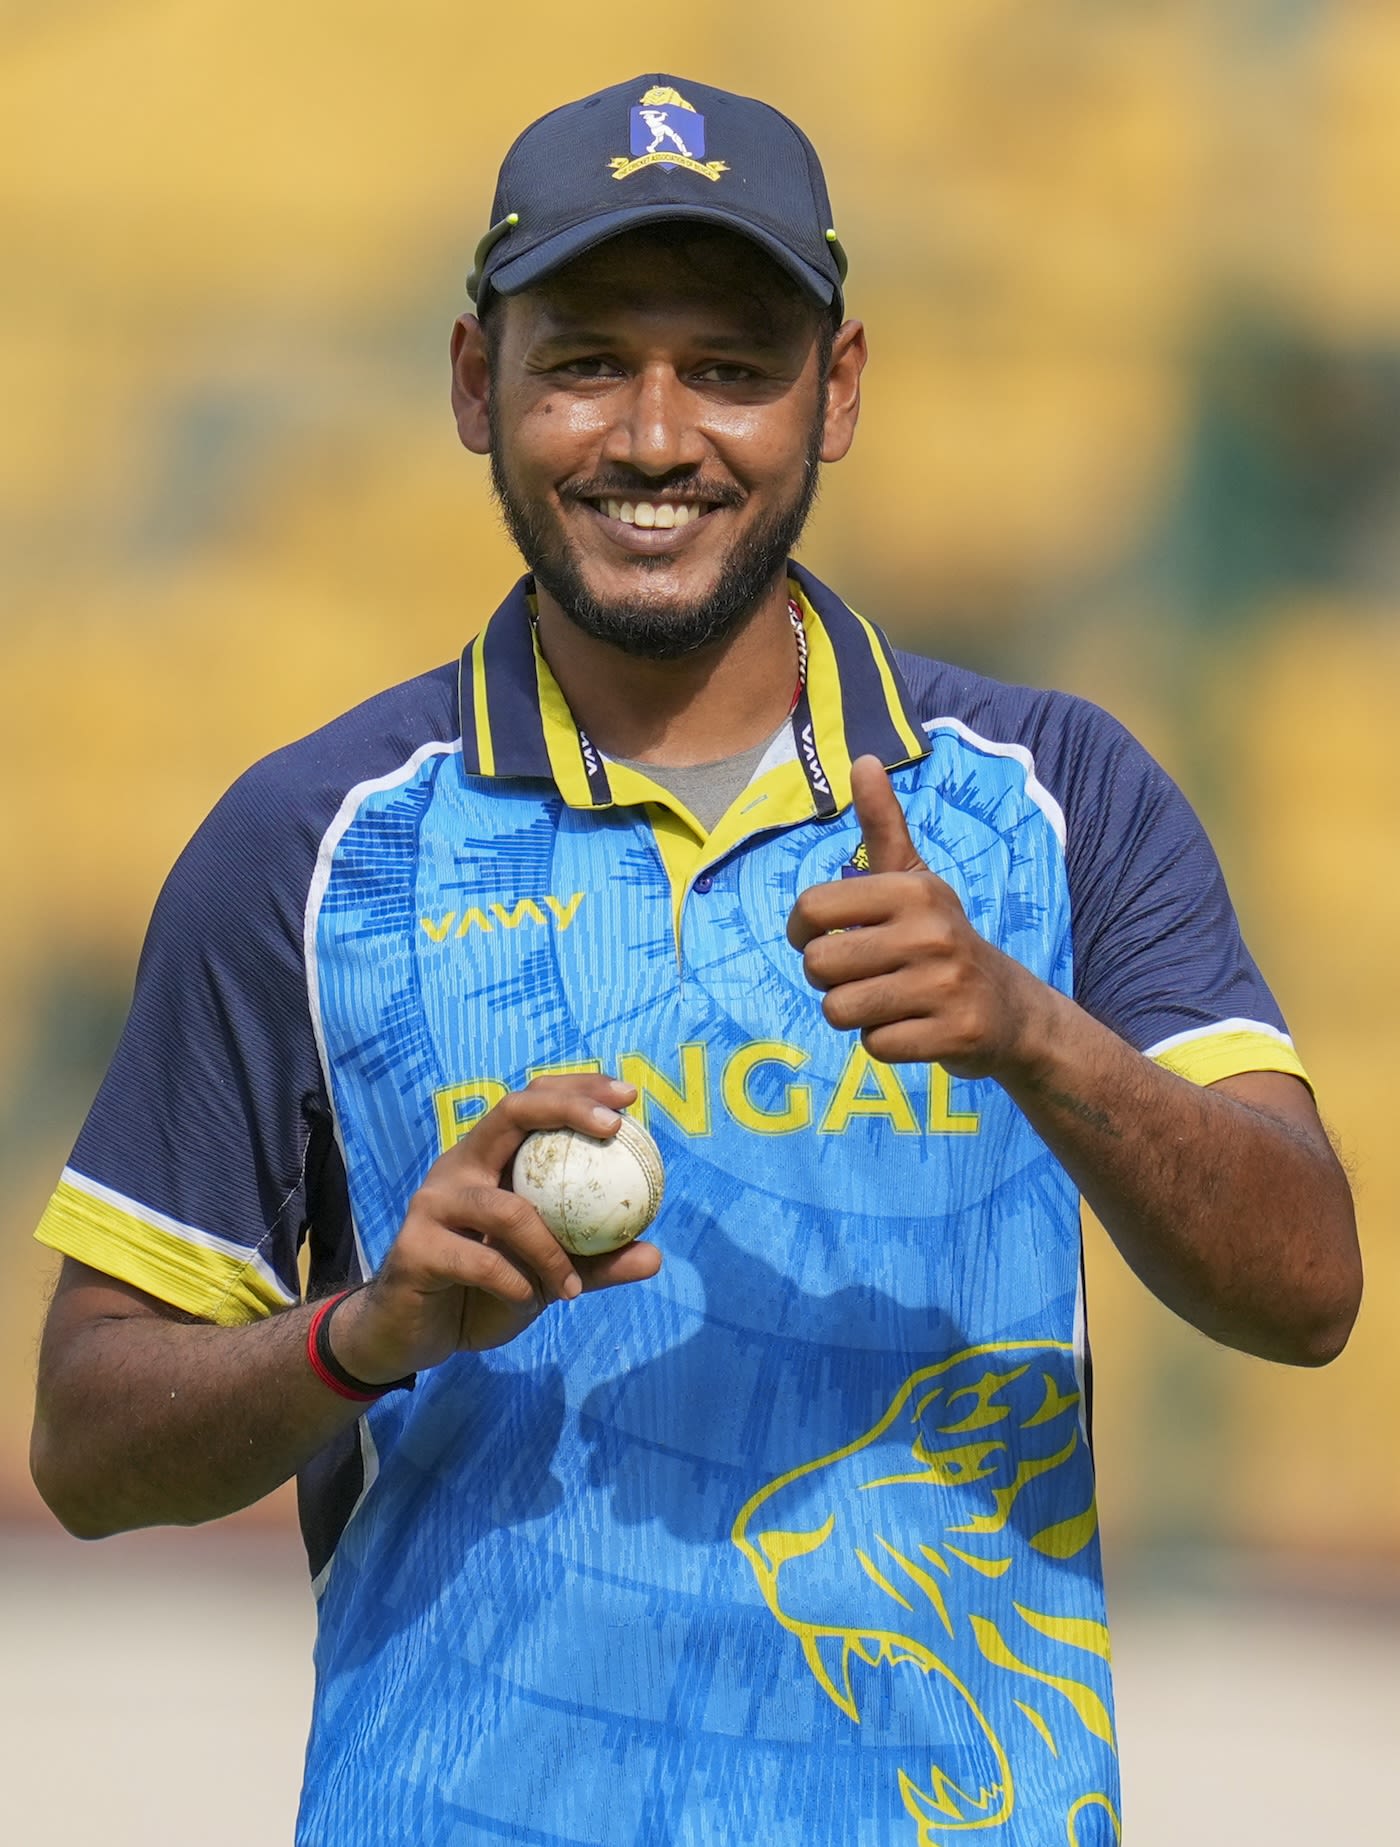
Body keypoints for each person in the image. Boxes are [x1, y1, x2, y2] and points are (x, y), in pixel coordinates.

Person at [29, 73, 1360, 1847]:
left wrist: (1036, 1037)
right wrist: (369, 1333)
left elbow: (1308, 1288)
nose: (657, 437)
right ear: (472, 381)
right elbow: (86, 1445)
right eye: (585, 362)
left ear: (840, 390)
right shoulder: (311, 843)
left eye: (731, 368)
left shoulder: (1060, 801)